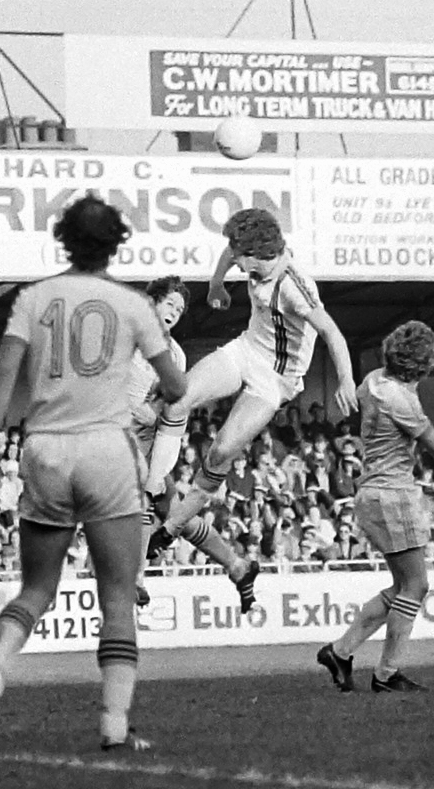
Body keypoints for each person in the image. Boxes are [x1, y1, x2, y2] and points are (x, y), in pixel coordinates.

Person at [0, 195, 185, 754]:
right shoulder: (133, 304)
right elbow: (176, 385)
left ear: (64, 239)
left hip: (46, 450)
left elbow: (2, 373)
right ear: (116, 244)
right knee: (117, 595)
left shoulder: (34, 298)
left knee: (36, 589)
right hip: (107, 450)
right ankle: (114, 725)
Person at [143, 208, 357, 562]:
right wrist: (216, 285)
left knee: (221, 452)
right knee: (177, 398)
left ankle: (172, 528)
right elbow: (229, 253)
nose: (238, 264)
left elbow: (331, 332)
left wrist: (346, 379)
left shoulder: (293, 286)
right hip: (245, 350)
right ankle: (153, 486)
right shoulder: (250, 255)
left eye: (242, 258)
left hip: (275, 380)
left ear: (256, 254)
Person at [316, 321, 434, 694]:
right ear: (424, 364)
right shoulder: (402, 401)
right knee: (416, 585)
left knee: (402, 587)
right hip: (393, 494)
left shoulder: (374, 380)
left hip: (371, 494)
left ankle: (340, 652)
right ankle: (386, 674)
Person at [129, 276, 259, 611]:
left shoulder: (175, 355)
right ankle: (138, 580)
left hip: (149, 441)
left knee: (168, 509)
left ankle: (236, 566)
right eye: (169, 303)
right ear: (152, 303)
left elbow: (171, 404)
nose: (175, 312)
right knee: (154, 501)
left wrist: (155, 412)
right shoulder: (124, 337)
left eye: (180, 308)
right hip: (113, 434)